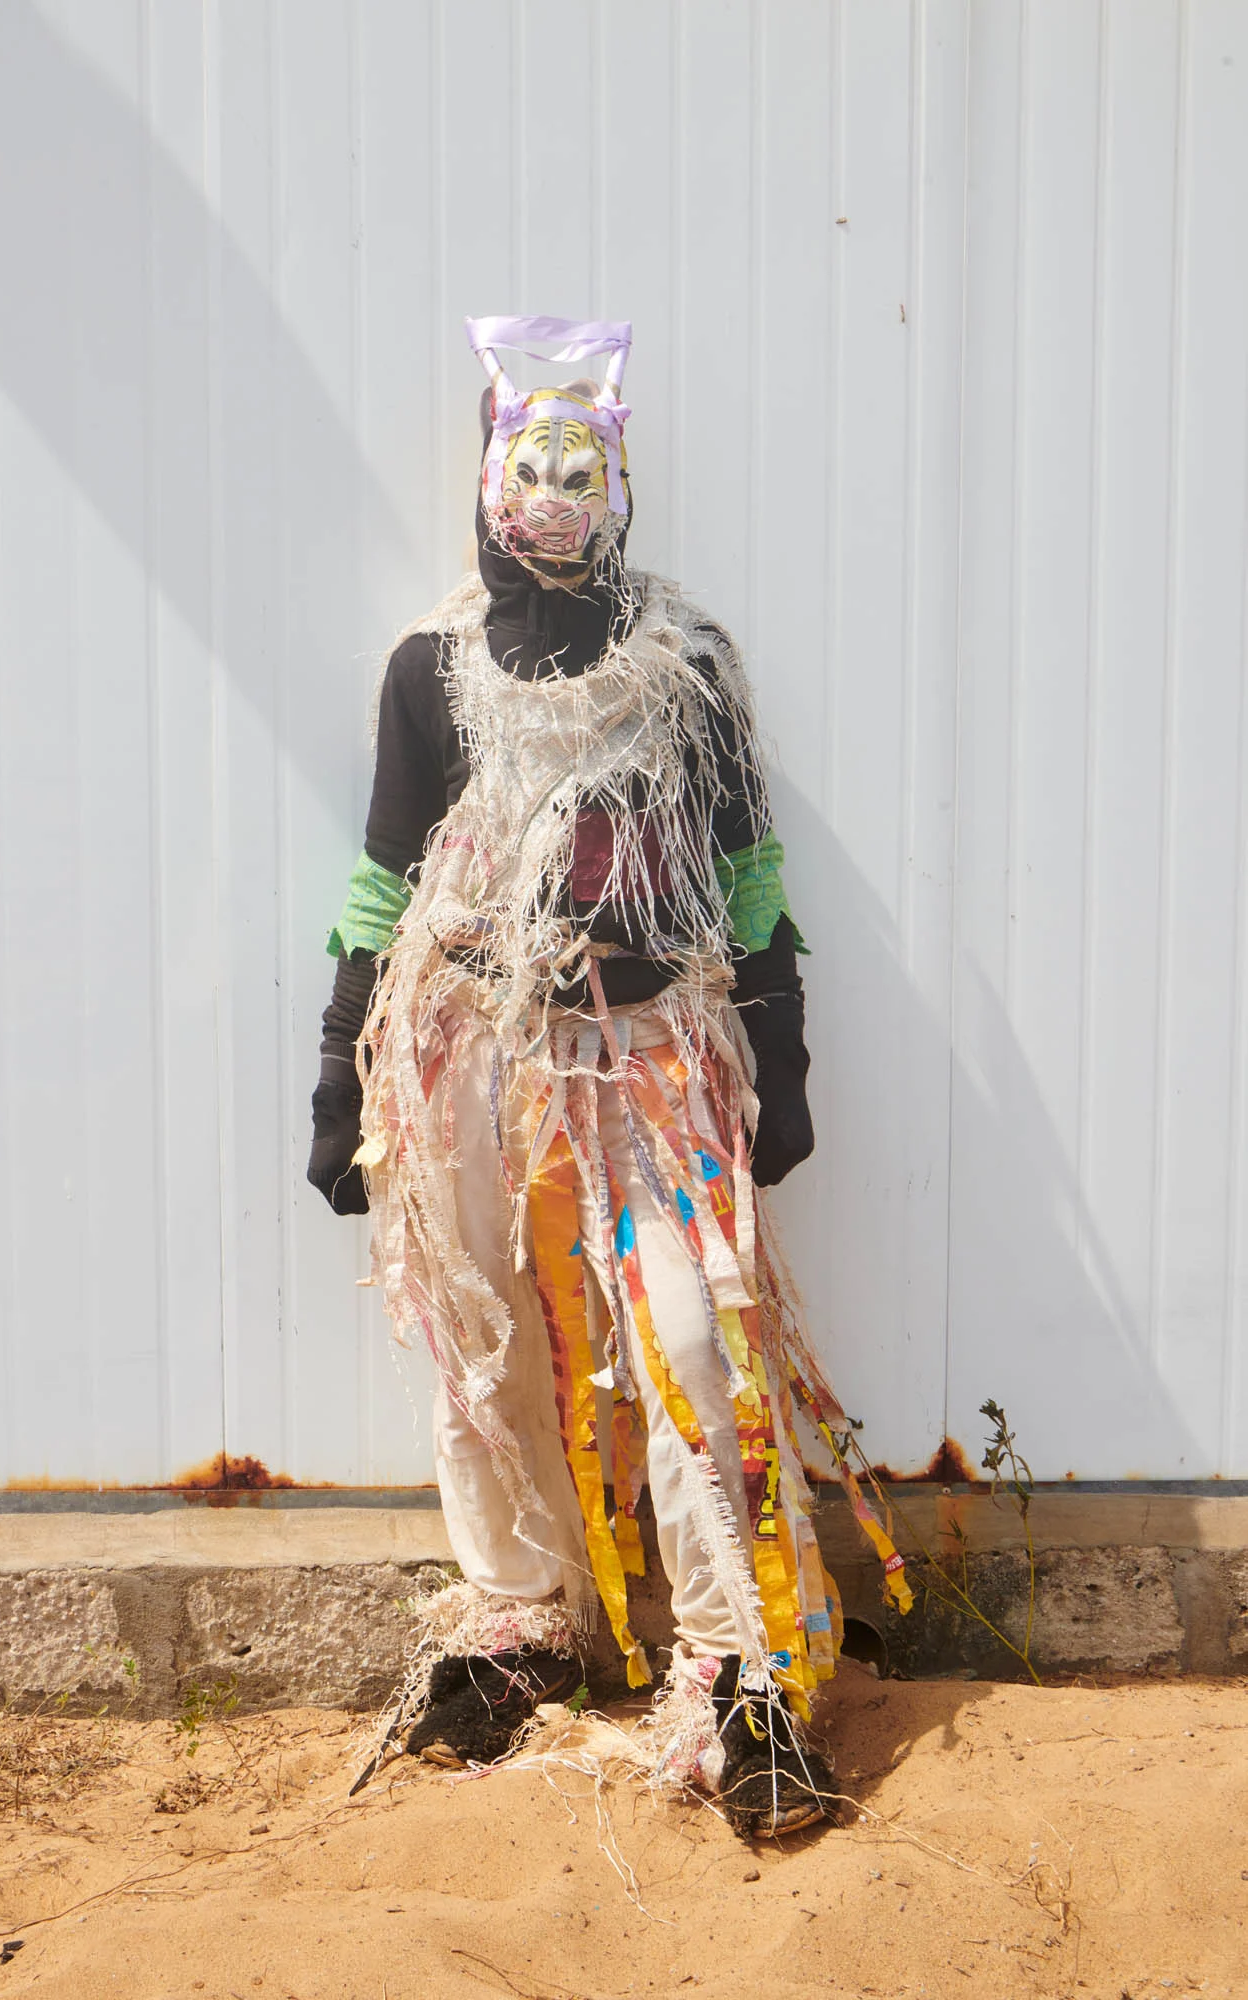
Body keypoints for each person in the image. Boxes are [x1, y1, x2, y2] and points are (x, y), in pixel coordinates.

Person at [308, 317, 909, 1838]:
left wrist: (780, 1044)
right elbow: (384, 880)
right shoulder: (429, 668)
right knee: (485, 1335)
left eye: (588, 463)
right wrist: (337, 1066)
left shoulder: (687, 665)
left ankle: (739, 1674)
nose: (561, 491)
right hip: (465, 1053)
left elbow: (749, 870)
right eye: (535, 462)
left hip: (648, 1066)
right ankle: (524, 1618)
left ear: (625, 476)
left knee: (694, 1351)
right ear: (490, 476)